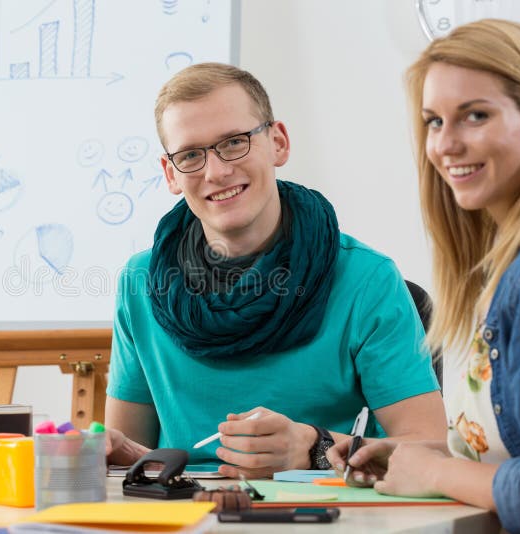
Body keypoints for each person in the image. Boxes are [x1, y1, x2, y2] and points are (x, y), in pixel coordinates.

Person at [104, 63, 446, 478]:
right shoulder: (141, 284)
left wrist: (313, 448)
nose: (216, 171)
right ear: (170, 174)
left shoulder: (367, 280)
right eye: (191, 155)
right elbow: (127, 460)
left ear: (278, 143)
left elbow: (431, 449)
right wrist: (114, 451)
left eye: (233, 142)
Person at [326, 20, 520, 532]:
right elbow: (515, 450)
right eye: (433, 121)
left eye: (475, 115)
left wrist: (436, 469)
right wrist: (419, 456)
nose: (446, 145)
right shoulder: (497, 272)